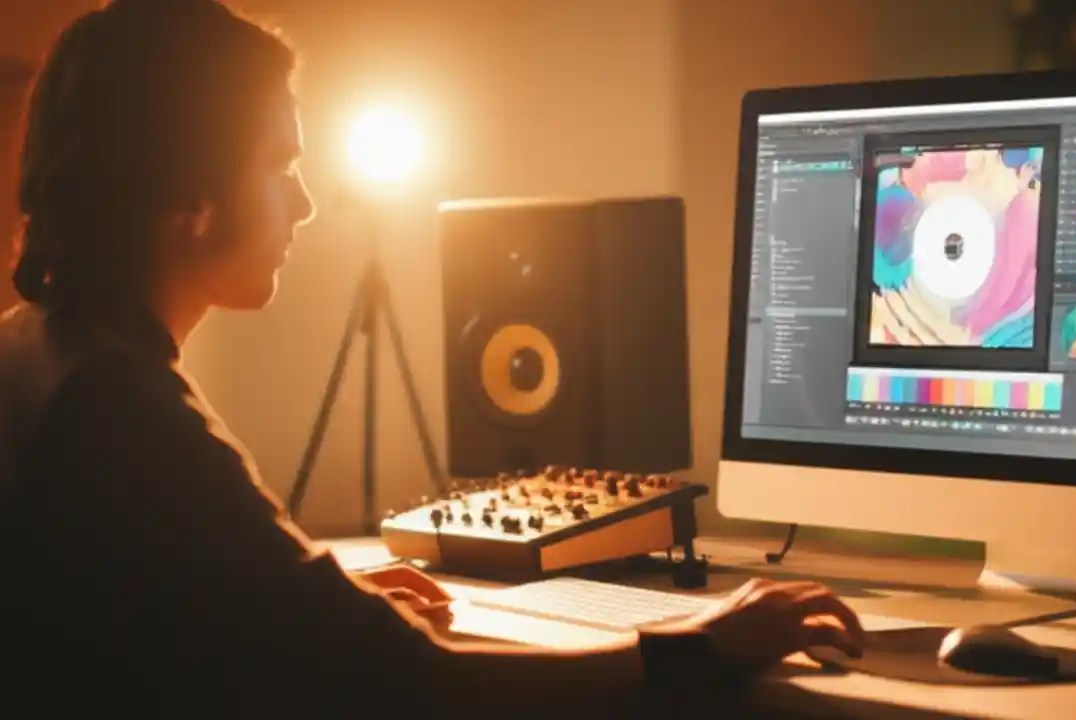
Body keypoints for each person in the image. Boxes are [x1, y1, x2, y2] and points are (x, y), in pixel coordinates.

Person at [0, 1, 864, 716]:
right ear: (190, 199)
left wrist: (325, 605)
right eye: (278, 166)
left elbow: (203, 600)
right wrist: (703, 644)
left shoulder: (34, 348)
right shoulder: (119, 406)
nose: (302, 205)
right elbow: (422, 684)